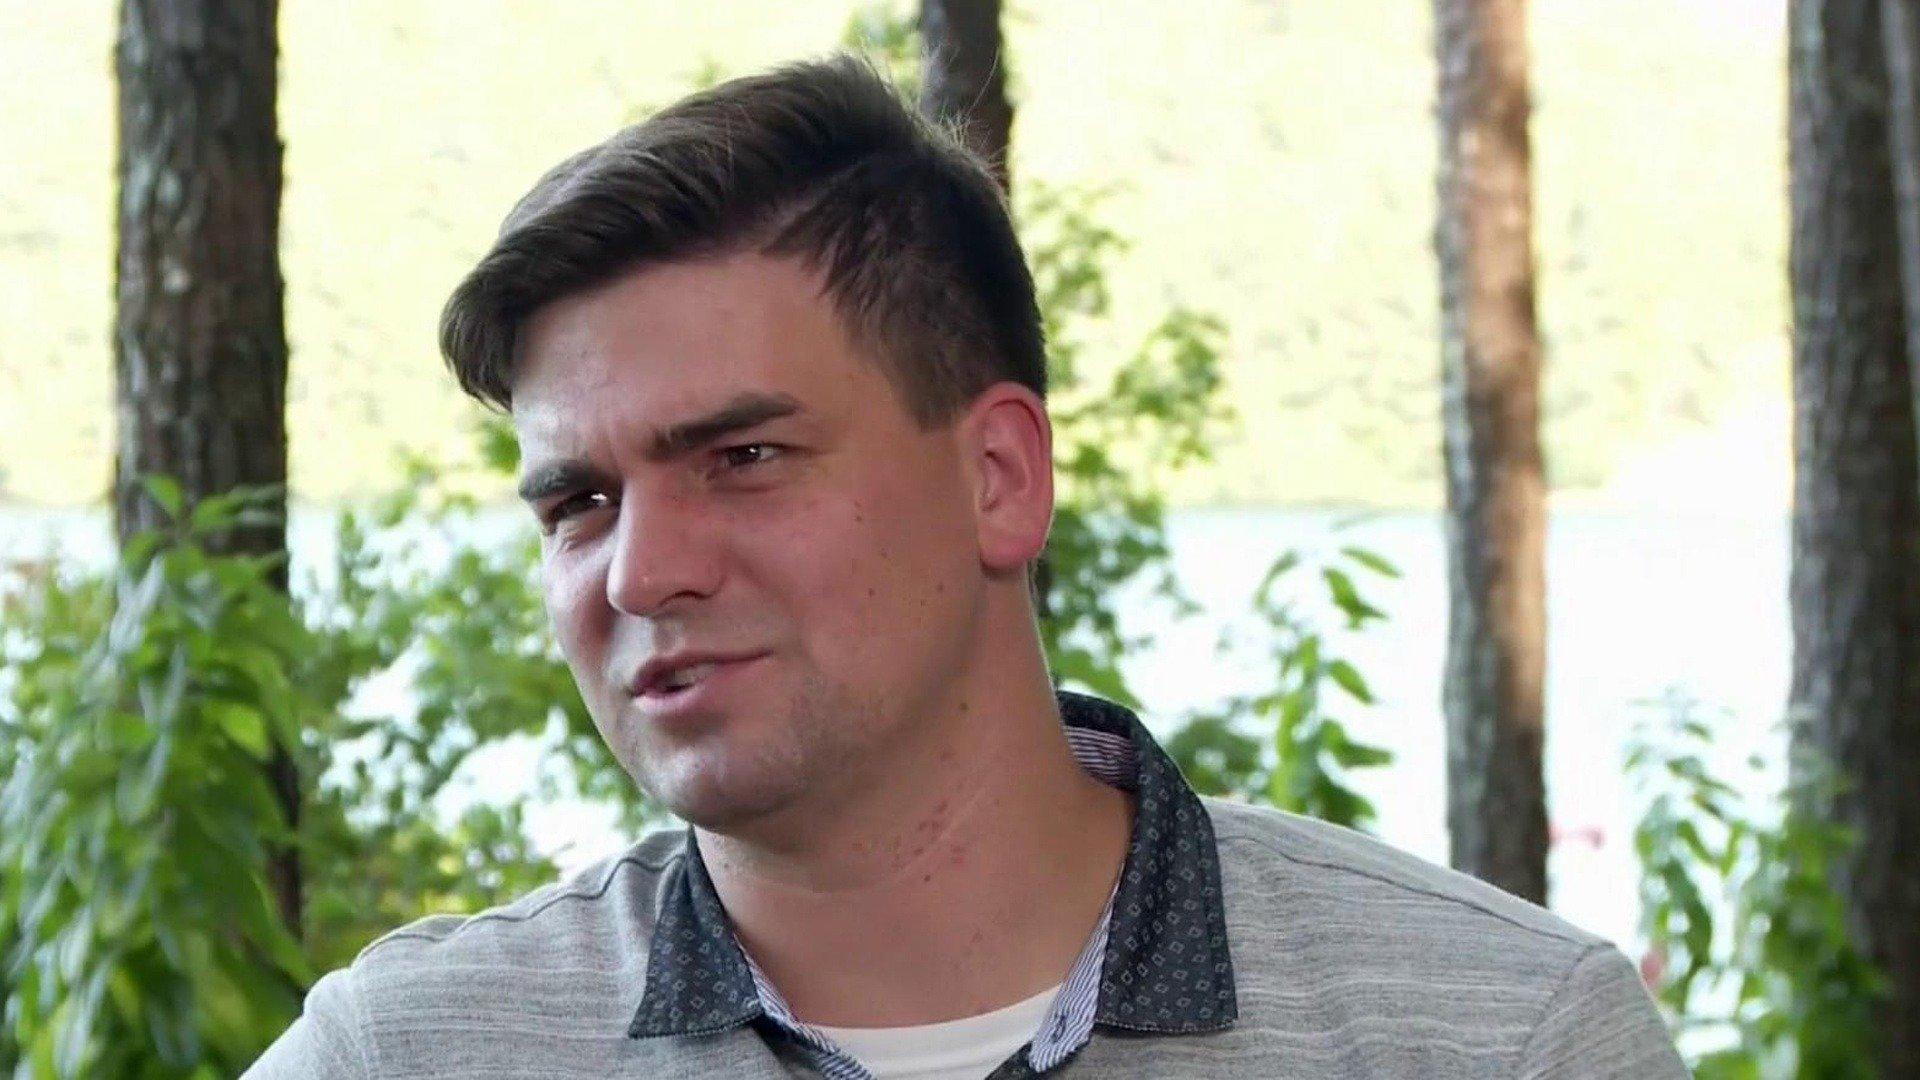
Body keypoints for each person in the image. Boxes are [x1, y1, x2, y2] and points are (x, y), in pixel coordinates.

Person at [247, 55, 1687, 1079]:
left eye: (743, 457)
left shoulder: (1498, 1040)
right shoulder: (412, 1054)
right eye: (579, 503)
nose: (642, 572)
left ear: (999, 478)